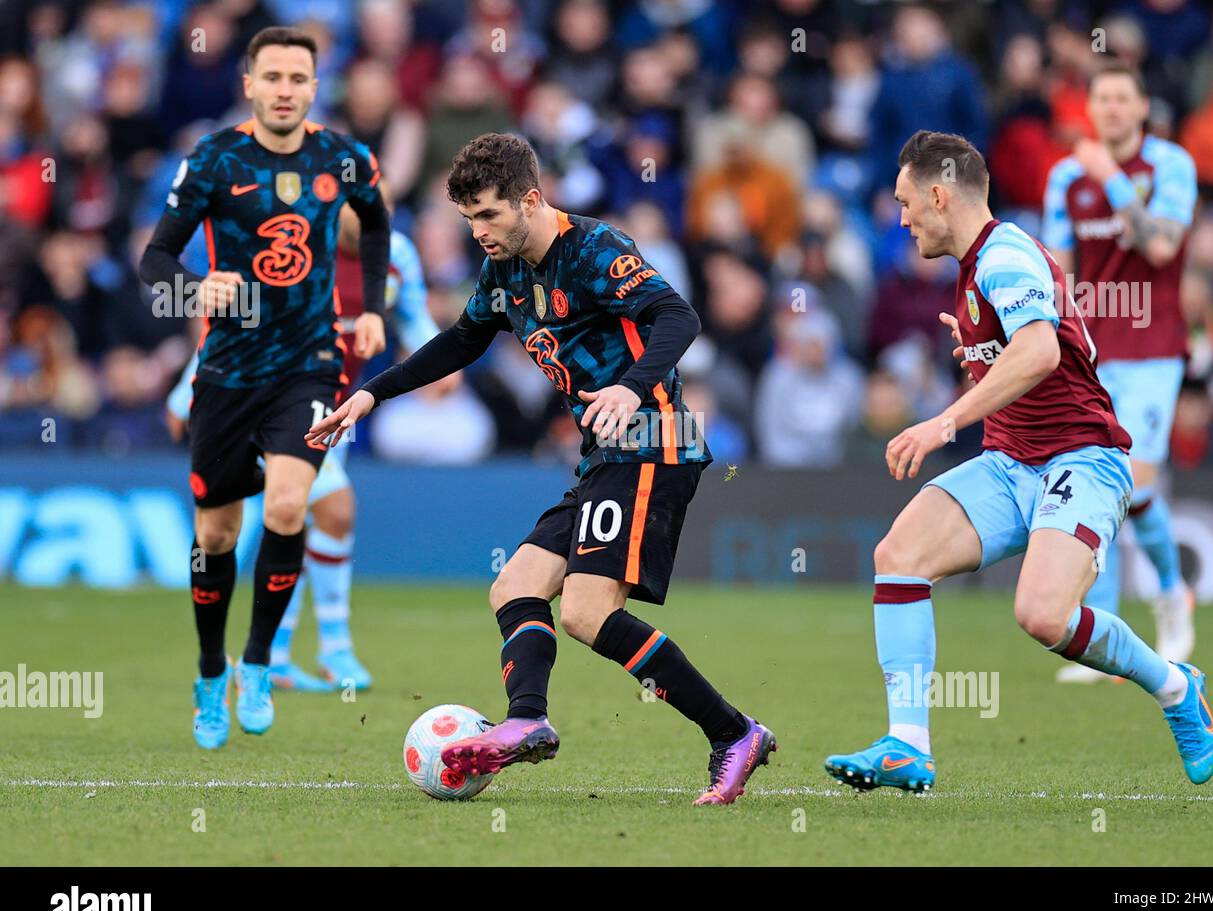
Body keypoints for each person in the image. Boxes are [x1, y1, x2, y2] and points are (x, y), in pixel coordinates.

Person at [307, 133, 776, 806]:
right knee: (514, 587)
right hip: (603, 457)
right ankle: (528, 719)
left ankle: (734, 733)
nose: (479, 232)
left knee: (587, 612)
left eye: (490, 215)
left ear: (531, 198)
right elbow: (461, 341)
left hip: (652, 442)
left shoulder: (594, 251)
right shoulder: (505, 274)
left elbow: (679, 315)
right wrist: (370, 393)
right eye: (469, 219)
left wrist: (632, 386)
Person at [824, 130, 1213, 792]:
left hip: (1081, 460)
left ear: (940, 195)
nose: (900, 217)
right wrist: (980, 350)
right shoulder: (981, 267)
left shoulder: (1003, 256)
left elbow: (1039, 353)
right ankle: (907, 745)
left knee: (1041, 615)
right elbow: (1029, 344)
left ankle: (1177, 686)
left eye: (904, 201)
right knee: (899, 556)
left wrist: (945, 420)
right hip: (1012, 462)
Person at [138, 27, 390, 748]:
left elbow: (375, 222)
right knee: (216, 533)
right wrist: (194, 289)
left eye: (297, 78)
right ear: (249, 84)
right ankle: (210, 672)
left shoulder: (342, 158)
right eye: (272, 77)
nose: (285, 89)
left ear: (315, 87)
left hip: (309, 362)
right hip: (226, 371)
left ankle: (258, 663)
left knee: (286, 504)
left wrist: (369, 306)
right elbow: (154, 261)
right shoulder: (215, 159)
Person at [164, 199, 435, 693]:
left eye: (389, 206)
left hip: (337, 412)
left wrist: (438, 364)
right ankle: (332, 650)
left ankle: (279, 655)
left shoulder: (397, 253)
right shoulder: (295, 252)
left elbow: (414, 316)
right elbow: (234, 327)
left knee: (303, 522)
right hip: (276, 402)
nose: (380, 218)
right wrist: (186, 392)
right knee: (333, 509)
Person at [1042, 63, 1198, 683]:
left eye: (1120, 98)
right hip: (1092, 353)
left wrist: (1111, 181)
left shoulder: (1171, 165)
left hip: (1154, 347)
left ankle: (1172, 591)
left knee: (1138, 487)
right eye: (1099, 98)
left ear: (1141, 108)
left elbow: (1160, 246)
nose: (1109, 108)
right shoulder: (1064, 175)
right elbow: (1061, 269)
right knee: (1094, 485)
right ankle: (1102, 632)